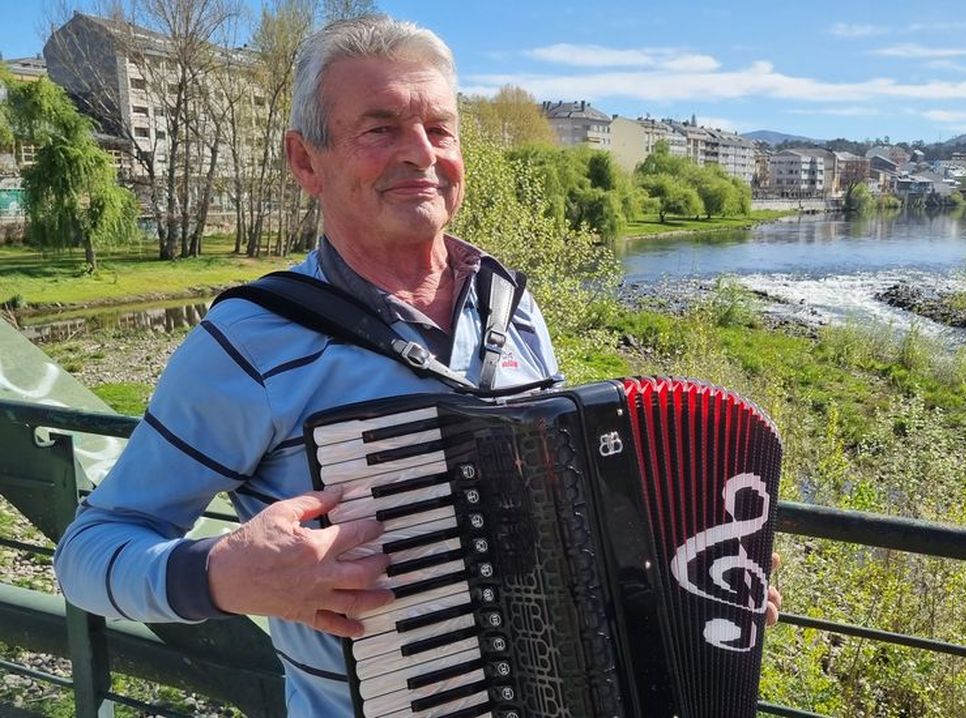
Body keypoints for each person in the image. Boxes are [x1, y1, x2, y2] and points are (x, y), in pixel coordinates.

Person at [54, 14, 780, 717]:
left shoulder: (509, 304)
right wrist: (219, 574)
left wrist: (693, 583)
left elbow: (568, 516)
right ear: (305, 161)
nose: (421, 154)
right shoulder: (250, 344)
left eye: (440, 129)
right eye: (380, 129)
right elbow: (88, 552)